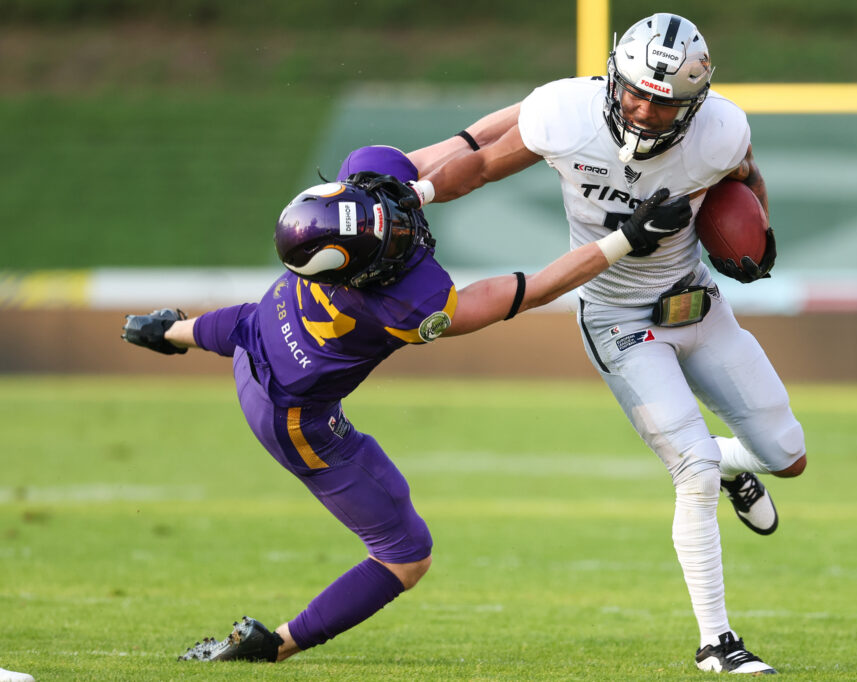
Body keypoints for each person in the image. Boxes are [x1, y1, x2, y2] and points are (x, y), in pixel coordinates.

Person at [120, 145, 689, 663]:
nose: (398, 231)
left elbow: (246, 323)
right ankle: (275, 646)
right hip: (293, 418)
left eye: (383, 215)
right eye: (384, 240)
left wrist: (173, 331)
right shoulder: (409, 304)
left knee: (257, 323)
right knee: (406, 555)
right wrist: (625, 240)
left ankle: (168, 334)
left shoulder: (361, 188)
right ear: (360, 272)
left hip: (252, 345)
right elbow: (530, 290)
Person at [364, 12, 807, 675]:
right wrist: (420, 190)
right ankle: (717, 642)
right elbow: (483, 164)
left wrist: (757, 236)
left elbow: (743, 177)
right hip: (619, 318)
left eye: (665, 102)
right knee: (690, 470)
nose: (646, 110)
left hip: (697, 305)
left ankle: (733, 464)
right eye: (635, 93)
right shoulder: (566, 115)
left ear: (695, 105)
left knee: (788, 456)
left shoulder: (720, 131)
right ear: (611, 79)